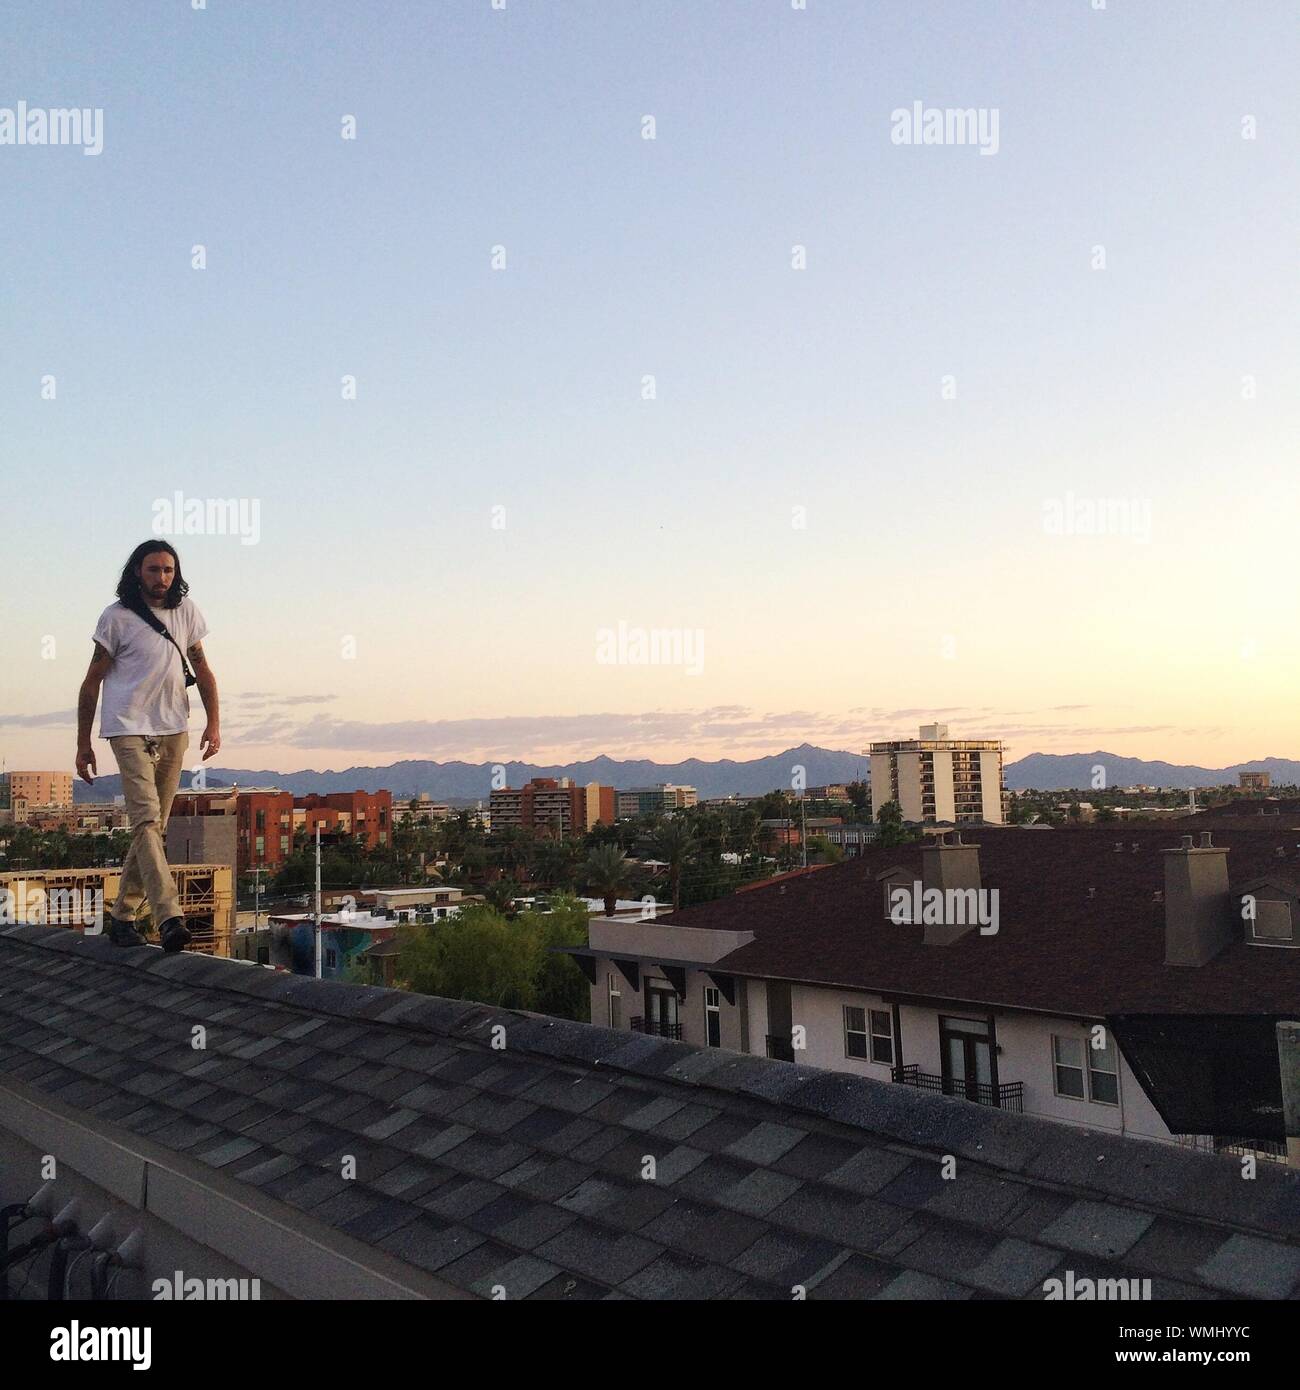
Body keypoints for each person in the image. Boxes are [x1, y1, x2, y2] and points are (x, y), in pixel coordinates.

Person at [76, 541, 220, 949]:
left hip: (174, 726)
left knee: (155, 827)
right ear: (137, 571)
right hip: (127, 726)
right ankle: (169, 917)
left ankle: (122, 918)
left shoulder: (186, 612)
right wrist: (83, 742)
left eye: (168, 570)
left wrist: (214, 723)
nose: (162, 578)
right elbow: (91, 683)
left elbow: (203, 669)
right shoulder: (115, 618)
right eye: (154, 569)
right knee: (145, 820)